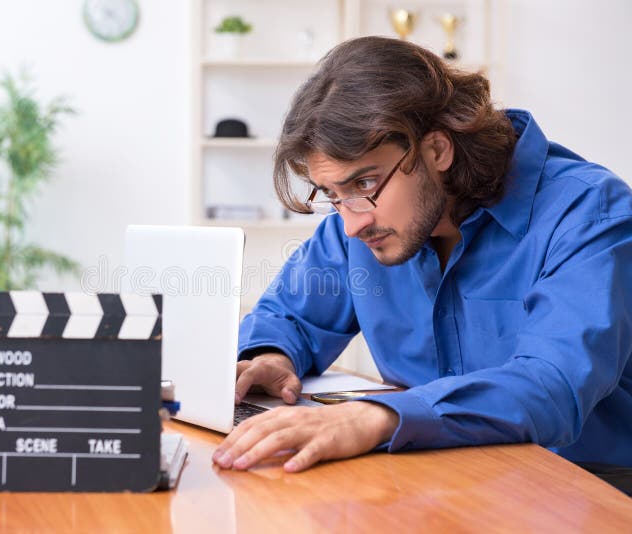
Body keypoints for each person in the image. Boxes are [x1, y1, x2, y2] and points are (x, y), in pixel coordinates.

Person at [212, 36, 632, 476]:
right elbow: (289, 317)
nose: (351, 225)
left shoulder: (588, 214)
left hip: (581, 486)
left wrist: (378, 417)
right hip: (436, 479)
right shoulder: (360, 226)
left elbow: (552, 386)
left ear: (436, 150)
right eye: (333, 195)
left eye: (364, 185)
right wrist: (271, 359)